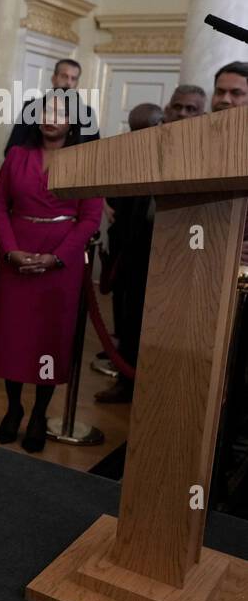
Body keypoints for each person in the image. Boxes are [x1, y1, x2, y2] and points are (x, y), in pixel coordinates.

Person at [0, 89, 103, 451]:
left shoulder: (87, 159)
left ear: (74, 121)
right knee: (14, 337)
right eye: (45, 110)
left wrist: (57, 257)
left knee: (48, 339)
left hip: (60, 266)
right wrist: (10, 252)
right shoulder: (17, 157)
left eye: (59, 111)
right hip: (16, 259)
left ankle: (39, 414)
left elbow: (90, 219)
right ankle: (13, 409)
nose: (51, 117)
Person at [95, 95, 197, 403]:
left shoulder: (199, 150)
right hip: (132, 250)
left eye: (190, 109)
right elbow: (114, 194)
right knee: (129, 318)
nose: (181, 114)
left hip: (180, 253)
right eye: (177, 107)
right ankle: (126, 382)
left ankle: (162, 388)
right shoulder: (136, 150)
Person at [3, 58, 97, 154]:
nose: (69, 82)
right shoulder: (31, 107)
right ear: (54, 78)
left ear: (77, 83)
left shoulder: (87, 113)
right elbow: (12, 148)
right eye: (64, 76)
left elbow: (95, 153)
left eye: (73, 78)